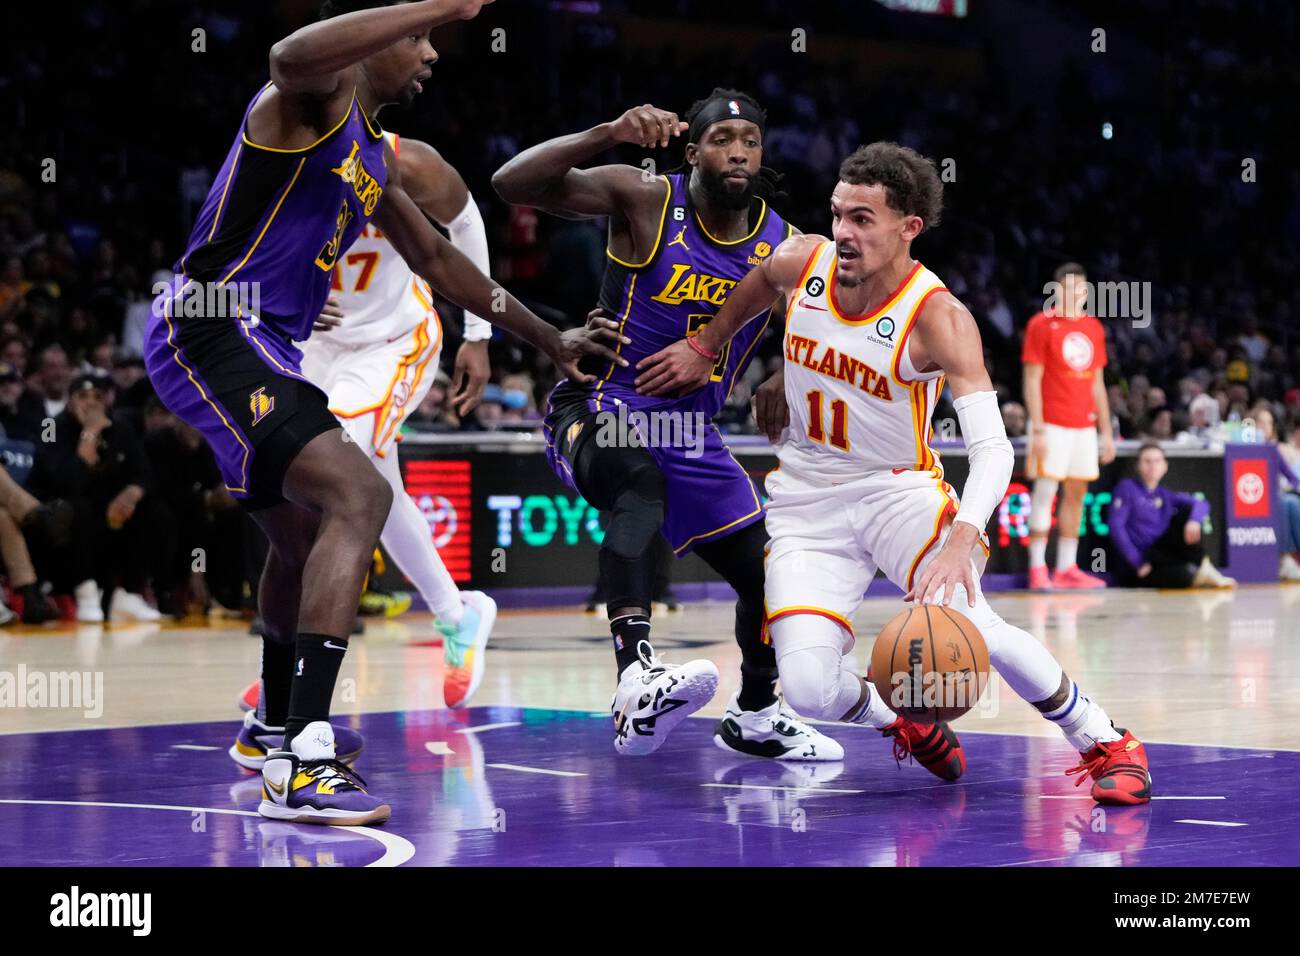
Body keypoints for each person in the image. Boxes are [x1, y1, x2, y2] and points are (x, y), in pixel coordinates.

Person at [143, 0, 622, 826]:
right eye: (420, 38)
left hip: (264, 348)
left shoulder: (372, 156)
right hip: (214, 326)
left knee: (299, 536)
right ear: (372, 43)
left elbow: (438, 257)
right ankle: (305, 757)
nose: (433, 54)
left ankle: (271, 727)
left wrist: (548, 338)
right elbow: (289, 51)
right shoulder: (305, 103)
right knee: (358, 494)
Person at [637, 142, 1151, 805]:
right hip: (806, 505)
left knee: (973, 627)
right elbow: (759, 286)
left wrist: (962, 538)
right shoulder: (801, 262)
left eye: (863, 220)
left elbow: (994, 449)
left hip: (897, 492)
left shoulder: (939, 318)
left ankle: (1105, 738)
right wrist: (716, 347)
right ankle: (901, 721)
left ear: (909, 227)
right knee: (810, 687)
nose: (844, 233)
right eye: (838, 214)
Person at [493, 90, 842, 761]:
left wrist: (788, 373)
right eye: (720, 138)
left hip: (693, 434)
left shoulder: (786, 243)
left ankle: (758, 715)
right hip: (604, 405)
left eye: (749, 139)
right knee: (638, 488)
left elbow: (836, 326)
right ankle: (634, 679)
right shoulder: (646, 197)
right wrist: (607, 129)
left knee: (773, 574)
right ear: (691, 152)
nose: (737, 150)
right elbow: (513, 184)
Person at [233, 129, 500, 742]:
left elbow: (466, 226)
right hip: (311, 345)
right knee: (369, 485)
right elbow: (240, 248)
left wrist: (479, 337)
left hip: (392, 343)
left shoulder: (413, 161)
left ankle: (296, 674)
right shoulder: (280, 155)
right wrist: (272, 294)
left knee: (335, 471)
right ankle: (457, 613)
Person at [26, 371, 163, 622]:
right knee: (80, 507)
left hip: (107, 511)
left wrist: (130, 495)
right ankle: (86, 592)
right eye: (83, 396)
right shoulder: (52, 427)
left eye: (97, 397)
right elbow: (67, 484)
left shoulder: (120, 427)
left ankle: (129, 594)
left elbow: (144, 473)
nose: (90, 402)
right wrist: (89, 434)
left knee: (151, 508)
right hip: (57, 515)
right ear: (70, 401)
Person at [1022, 263, 1114, 589]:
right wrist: (1037, 428)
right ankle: (1036, 568)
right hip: (1051, 423)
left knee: (1076, 494)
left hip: (1083, 425)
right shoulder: (1041, 325)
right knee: (1045, 493)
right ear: (1057, 291)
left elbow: (1098, 384)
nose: (1075, 293)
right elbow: (1031, 381)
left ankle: (1065, 567)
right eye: (1068, 288)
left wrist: (1106, 433)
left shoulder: (1093, 328)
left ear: (1086, 292)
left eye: (1080, 288)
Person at [1109, 443, 1236, 588]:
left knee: (1186, 513)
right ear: (1138, 466)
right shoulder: (1127, 488)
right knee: (1185, 575)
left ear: (1165, 466)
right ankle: (1201, 573)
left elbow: (1202, 504)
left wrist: (1193, 521)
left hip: (1162, 555)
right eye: (1147, 461)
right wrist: (1137, 561)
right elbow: (1116, 527)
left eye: (1157, 461)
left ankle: (1203, 568)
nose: (1152, 466)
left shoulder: (1165, 494)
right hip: (1141, 561)